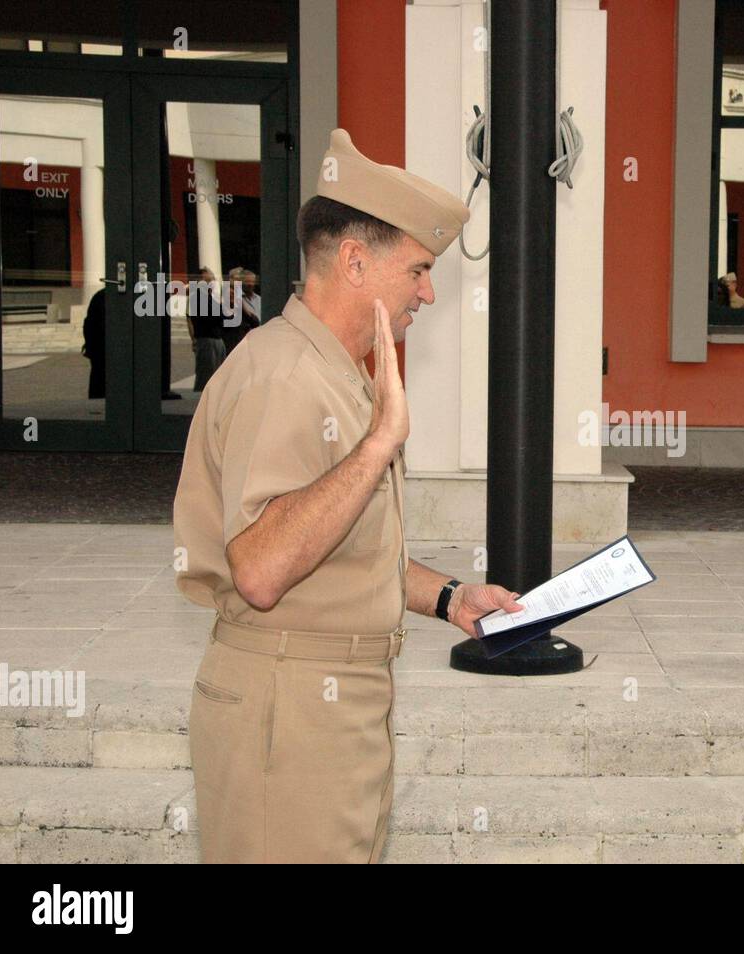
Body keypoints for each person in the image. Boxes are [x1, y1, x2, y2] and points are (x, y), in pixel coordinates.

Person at [174, 128, 524, 863]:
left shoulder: (339, 372)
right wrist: (375, 447)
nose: (428, 293)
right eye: (419, 271)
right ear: (355, 261)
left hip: (329, 711)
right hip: (291, 713)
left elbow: (342, 553)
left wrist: (452, 597)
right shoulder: (284, 377)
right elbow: (263, 570)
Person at [188, 267, 226, 392]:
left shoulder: (210, 298)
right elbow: (212, 317)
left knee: (216, 374)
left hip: (215, 338)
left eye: (212, 280)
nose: (211, 283)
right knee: (206, 375)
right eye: (208, 280)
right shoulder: (197, 298)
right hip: (206, 339)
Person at [82, 287, 107, 399]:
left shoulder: (100, 296)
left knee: (98, 379)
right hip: (103, 348)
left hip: (99, 348)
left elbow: (89, 324)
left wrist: (89, 346)